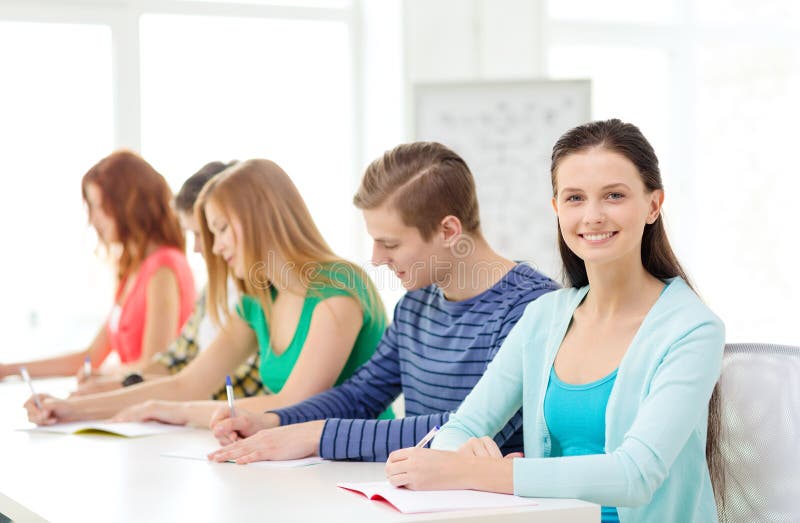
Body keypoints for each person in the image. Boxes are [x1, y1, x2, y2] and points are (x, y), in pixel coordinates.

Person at [384, 120, 725, 523]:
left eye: (614, 195)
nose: (593, 215)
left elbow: (635, 475)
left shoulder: (692, 329)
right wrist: (462, 454)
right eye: (575, 198)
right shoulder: (544, 316)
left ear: (653, 205)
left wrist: (482, 471)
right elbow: (463, 425)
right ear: (557, 208)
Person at [203, 142, 559, 465]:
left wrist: (317, 436)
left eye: (390, 244)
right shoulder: (416, 305)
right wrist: (271, 421)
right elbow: (361, 395)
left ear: (448, 231)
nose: (375, 259)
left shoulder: (532, 308)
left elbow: (471, 427)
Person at [24, 159, 388, 426]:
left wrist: (171, 411)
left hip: (361, 471)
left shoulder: (338, 288)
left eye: (222, 229)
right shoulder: (257, 300)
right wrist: (70, 409)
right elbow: (188, 383)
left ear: (259, 219)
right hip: (299, 465)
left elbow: (292, 405)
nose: (215, 249)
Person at [73, 161, 265, 402]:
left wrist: (118, 390)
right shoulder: (213, 289)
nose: (199, 247)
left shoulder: (164, 266)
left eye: (210, 231)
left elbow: (192, 381)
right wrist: (115, 387)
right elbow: (176, 362)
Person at [0, 150, 196, 381]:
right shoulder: (134, 270)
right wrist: (8, 370)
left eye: (98, 206)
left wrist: (101, 376)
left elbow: (153, 365)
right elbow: (90, 357)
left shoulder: (163, 267)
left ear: (128, 204)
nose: (93, 220)